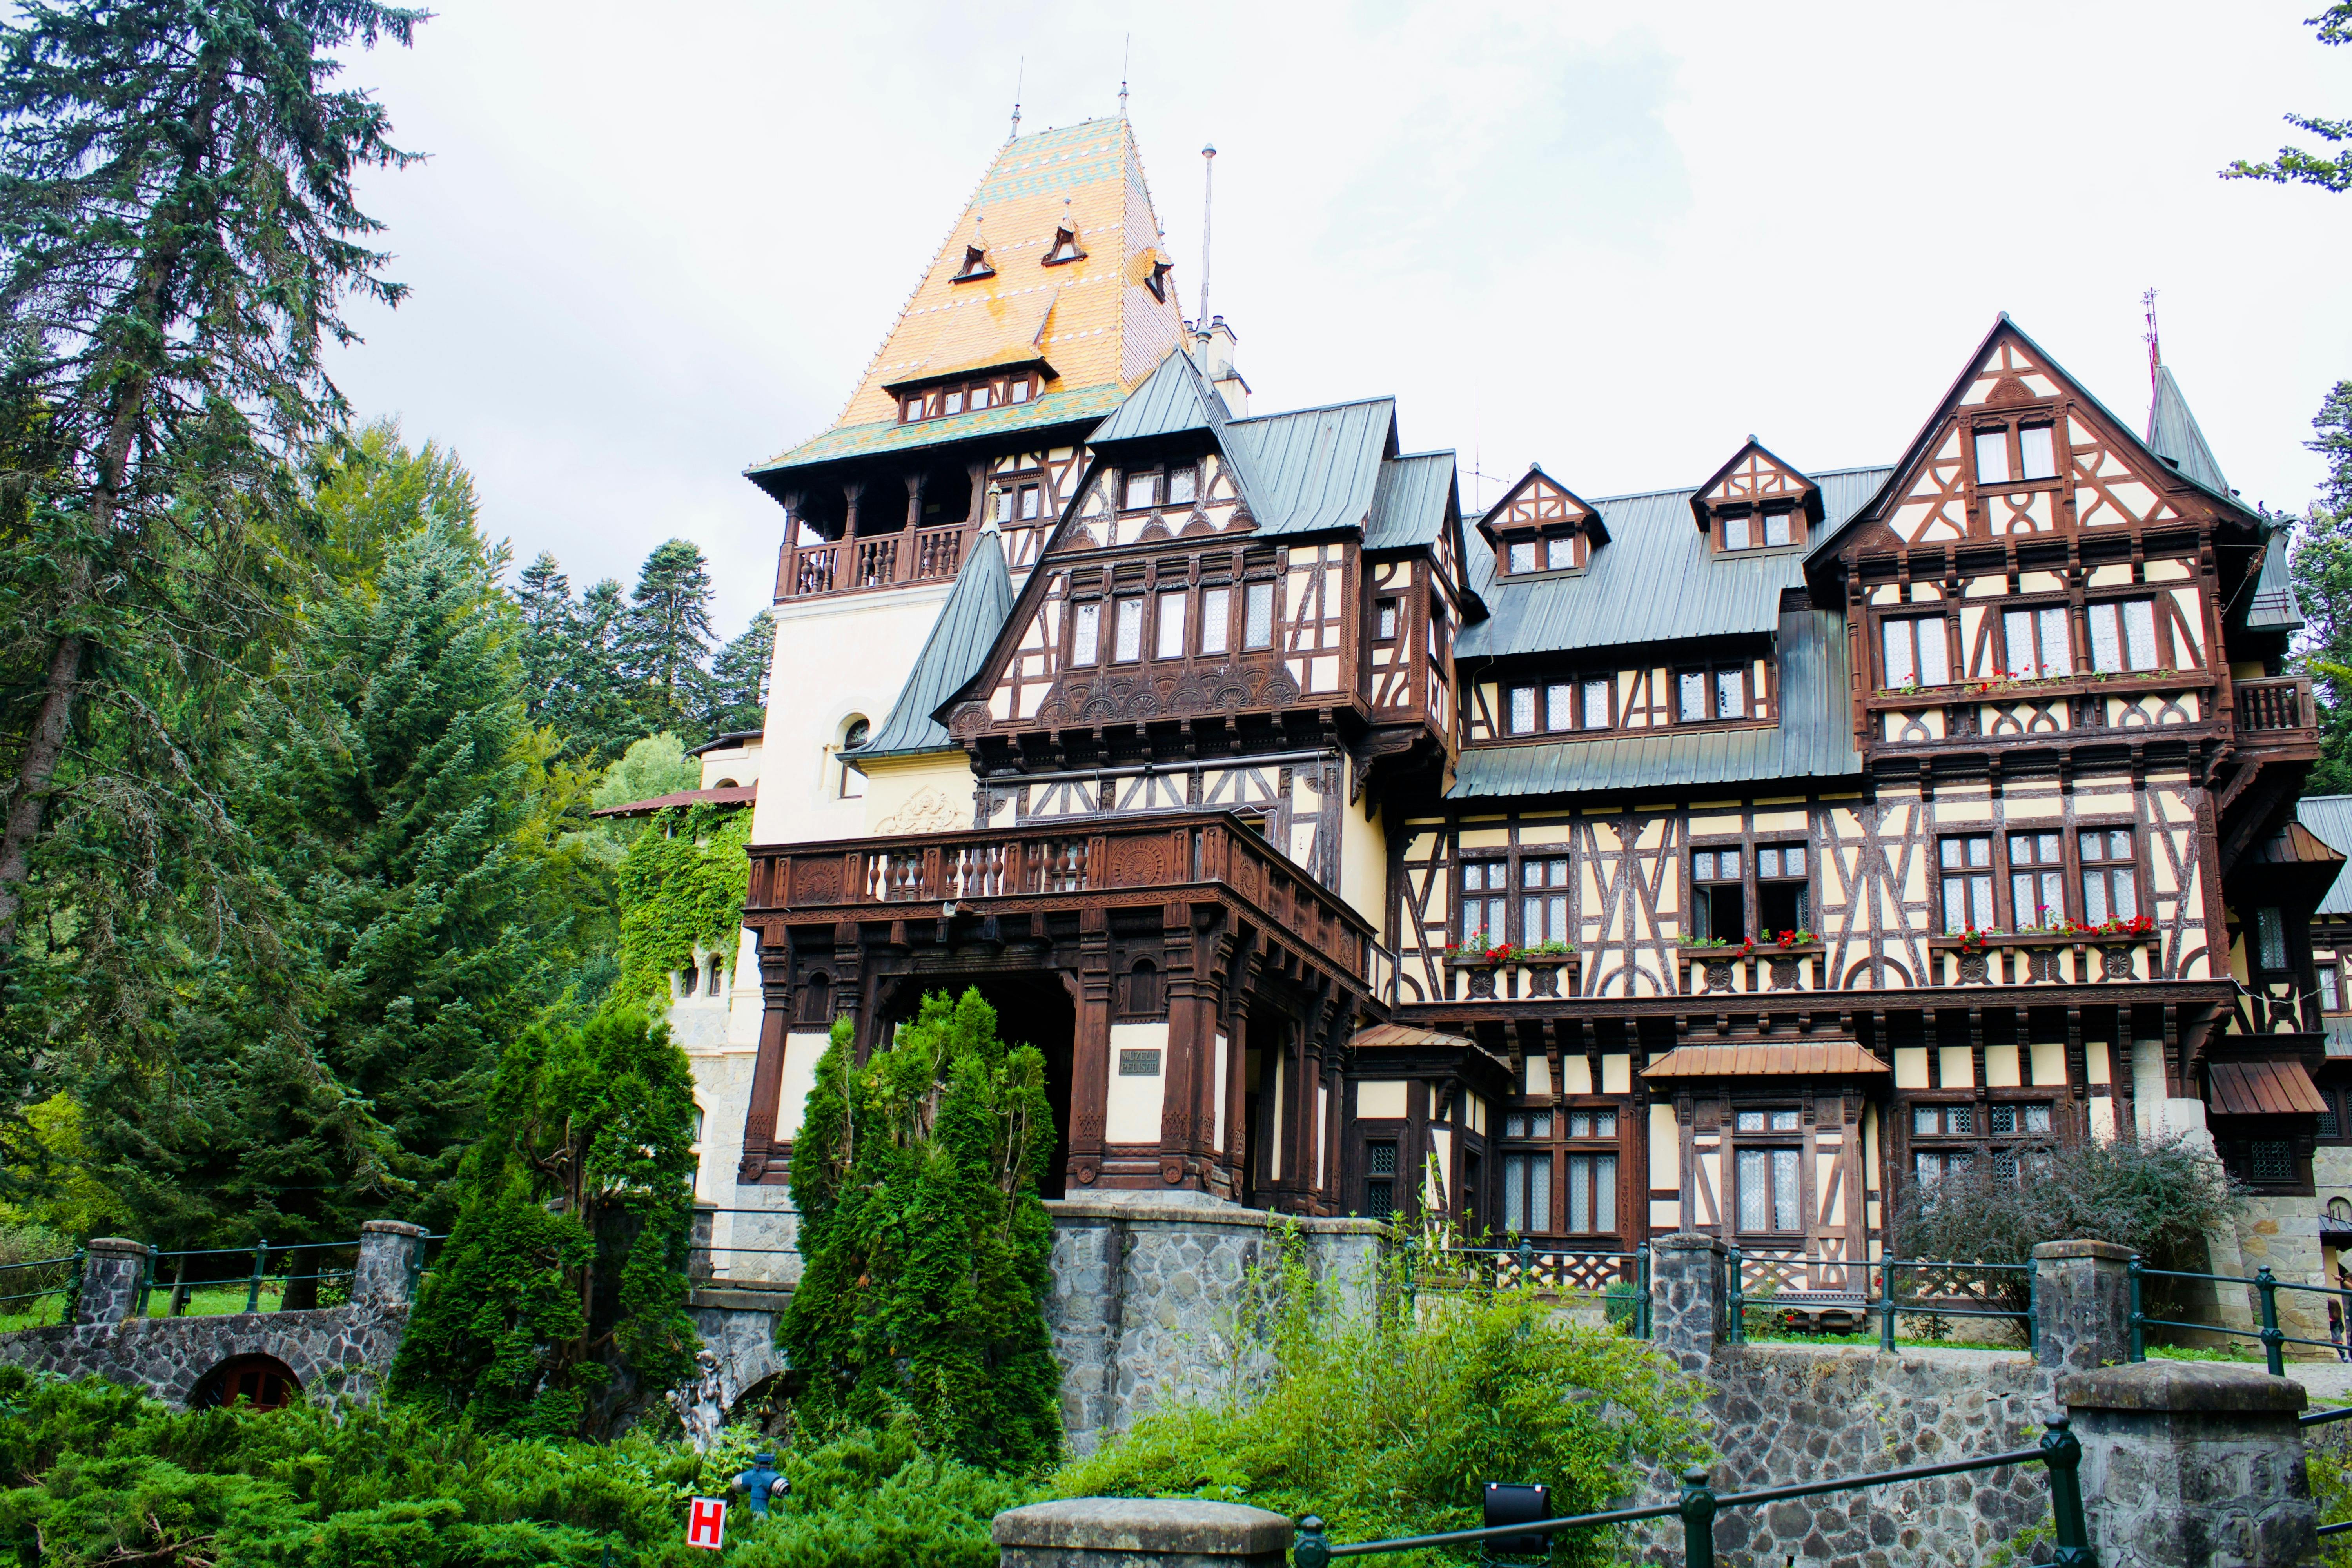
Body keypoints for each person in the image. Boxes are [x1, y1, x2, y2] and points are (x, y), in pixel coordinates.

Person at [2332, 1298, 2348, 1362]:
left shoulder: (2336, 1316)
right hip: (2336, 1335)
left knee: (2340, 1347)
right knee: (2340, 1347)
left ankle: (2344, 1358)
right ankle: (2344, 1358)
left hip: (2335, 1335)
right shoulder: (2337, 1315)